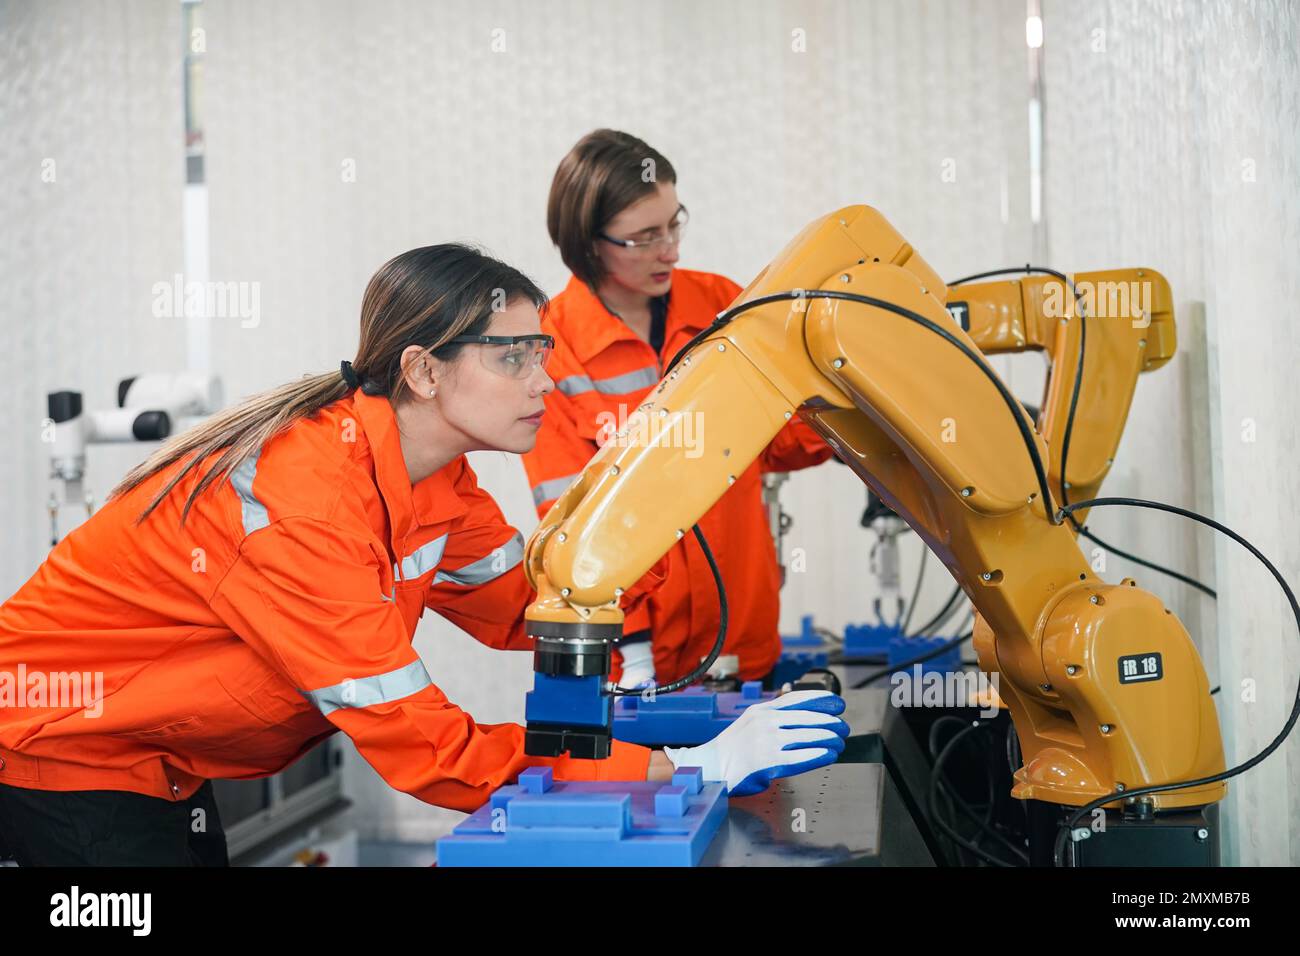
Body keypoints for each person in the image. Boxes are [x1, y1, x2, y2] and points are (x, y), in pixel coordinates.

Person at [0, 243, 848, 865]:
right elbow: (423, 744)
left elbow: (526, 607)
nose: (542, 383)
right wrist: (684, 766)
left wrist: (648, 513)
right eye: (511, 358)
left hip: (167, 764)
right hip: (63, 749)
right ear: (424, 371)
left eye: (541, 354)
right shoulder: (304, 503)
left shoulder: (437, 481)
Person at [523, 129, 833, 690]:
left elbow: (785, 442)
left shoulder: (722, 306)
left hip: (743, 642)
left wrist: (837, 386)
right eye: (644, 238)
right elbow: (572, 524)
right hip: (628, 663)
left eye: (673, 224)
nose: (670, 250)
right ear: (588, 242)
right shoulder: (552, 349)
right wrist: (634, 651)